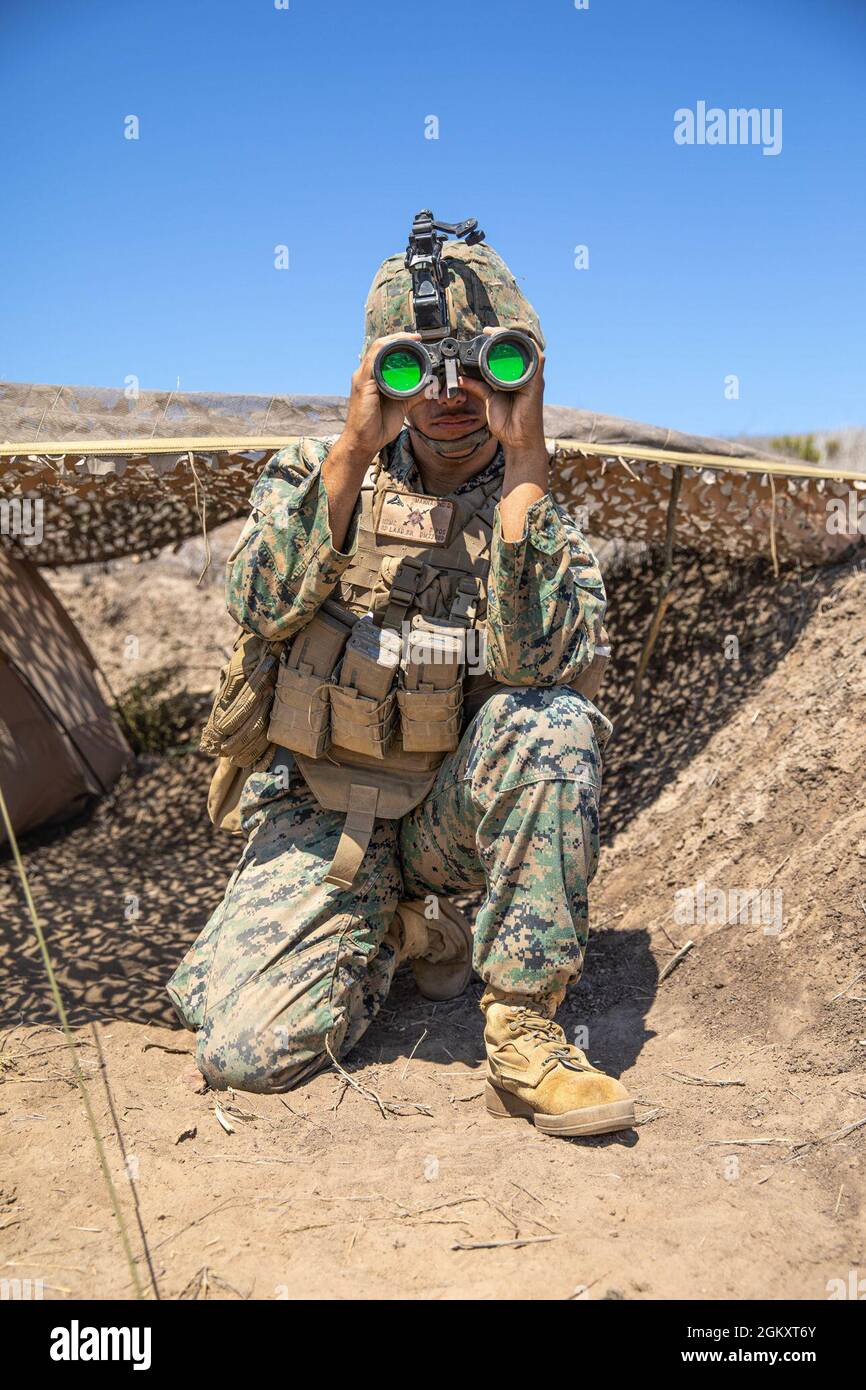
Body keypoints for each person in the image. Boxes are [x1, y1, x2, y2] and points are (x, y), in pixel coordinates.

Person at [168, 231, 635, 1138]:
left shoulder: (546, 518)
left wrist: (526, 479)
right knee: (246, 1058)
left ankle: (525, 1026)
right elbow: (258, 604)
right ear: (379, 372)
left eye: (485, 362)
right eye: (422, 368)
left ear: (519, 371)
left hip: (437, 824)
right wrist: (351, 448)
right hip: (316, 802)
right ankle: (405, 934)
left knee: (553, 723)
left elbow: (539, 670)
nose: (454, 392)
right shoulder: (316, 470)